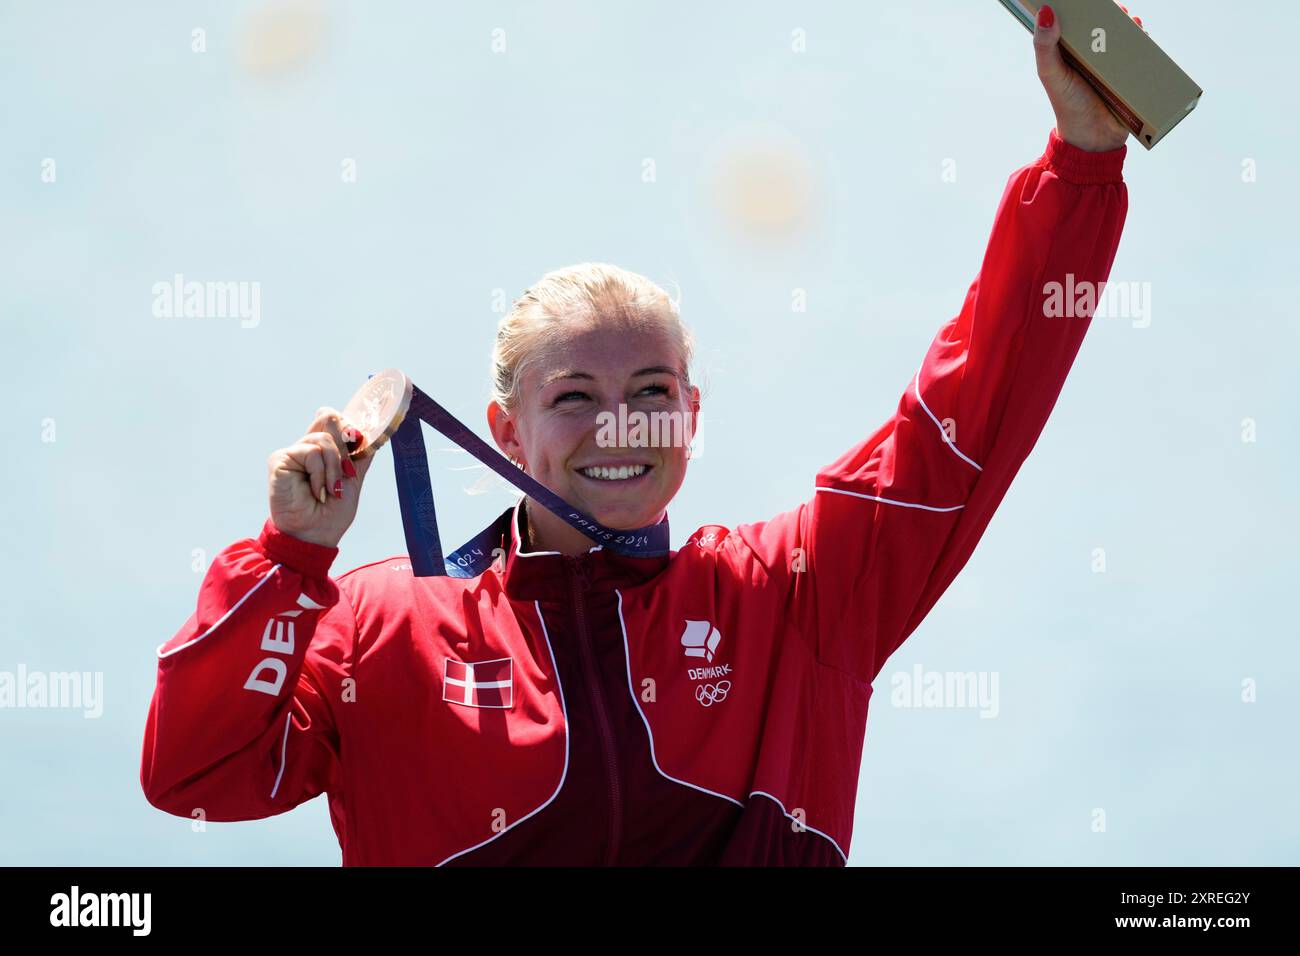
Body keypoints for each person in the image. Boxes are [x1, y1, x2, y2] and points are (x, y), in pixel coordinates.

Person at [140, 6, 1135, 865]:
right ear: (504, 428)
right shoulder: (382, 623)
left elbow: (974, 409)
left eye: (651, 388)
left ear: (692, 419)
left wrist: (1082, 165)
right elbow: (196, 774)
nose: (619, 422)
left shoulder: (794, 593)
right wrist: (286, 561)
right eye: (574, 394)